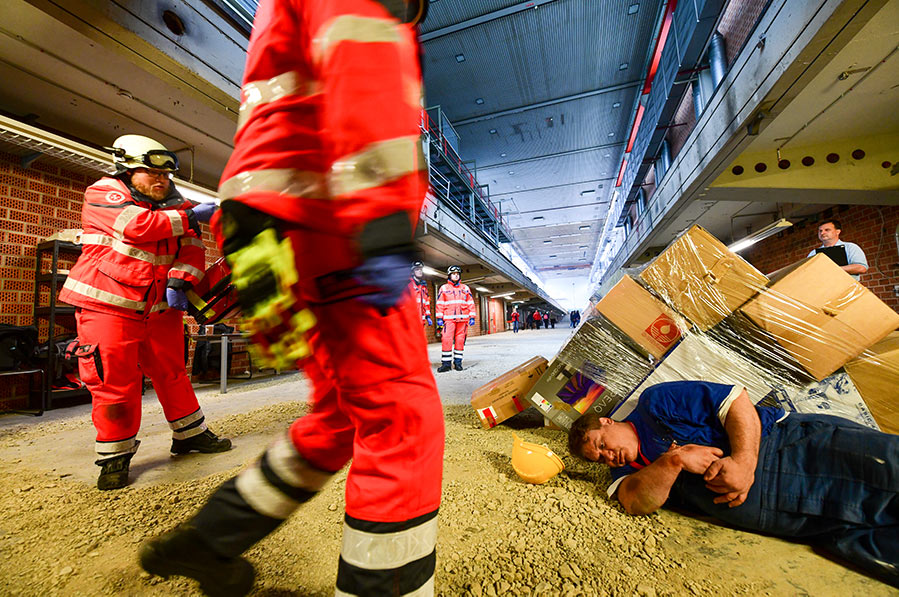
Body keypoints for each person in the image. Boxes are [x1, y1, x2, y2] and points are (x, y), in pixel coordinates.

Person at [139, 2, 443, 596]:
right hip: (327, 224)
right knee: (401, 416)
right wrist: (381, 220)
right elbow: (363, 66)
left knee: (340, 413)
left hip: (265, 233)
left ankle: (209, 540)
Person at [568, 380, 899, 587]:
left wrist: (744, 461)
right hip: (804, 520)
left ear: (607, 421)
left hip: (797, 451)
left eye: (600, 444)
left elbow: (735, 400)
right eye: (599, 459)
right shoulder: (626, 475)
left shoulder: (654, 404)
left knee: (889, 472)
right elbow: (635, 502)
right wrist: (675, 460)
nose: (607, 457)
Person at [58, 134, 231, 491]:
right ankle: (114, 456)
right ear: (126, 169)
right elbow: (137, 228)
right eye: (151, 173)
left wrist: (180, 283)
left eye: (165, 176)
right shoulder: (104, 193)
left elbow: (192, 249)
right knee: (114, 380)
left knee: (172, 372)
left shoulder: (177, 206)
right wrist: (188, 215)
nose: (161, 180)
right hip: (108, 304)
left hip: (160, 308)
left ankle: (189, 435)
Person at [435, 265, 476, 371]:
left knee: (460, 340)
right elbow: (440, 303)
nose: (456, 276)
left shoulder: (465, 288)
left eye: (457, 274)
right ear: (449, 275)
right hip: (449, 320)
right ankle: (446, 364)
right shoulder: (444, 288)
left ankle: (458, 363)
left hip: (463, 320)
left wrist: (472, 316)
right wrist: (439, 317)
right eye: (453, 274)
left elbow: (470, 302)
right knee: (446, 340)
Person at [410, 260, 433, 326]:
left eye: (421, 269)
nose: (420, 271)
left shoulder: (423, 287)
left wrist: (428, 316)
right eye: (417, 269)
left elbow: (426, 303)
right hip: (411, 321)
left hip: (421, 321)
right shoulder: (408, 285)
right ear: (413, 272)